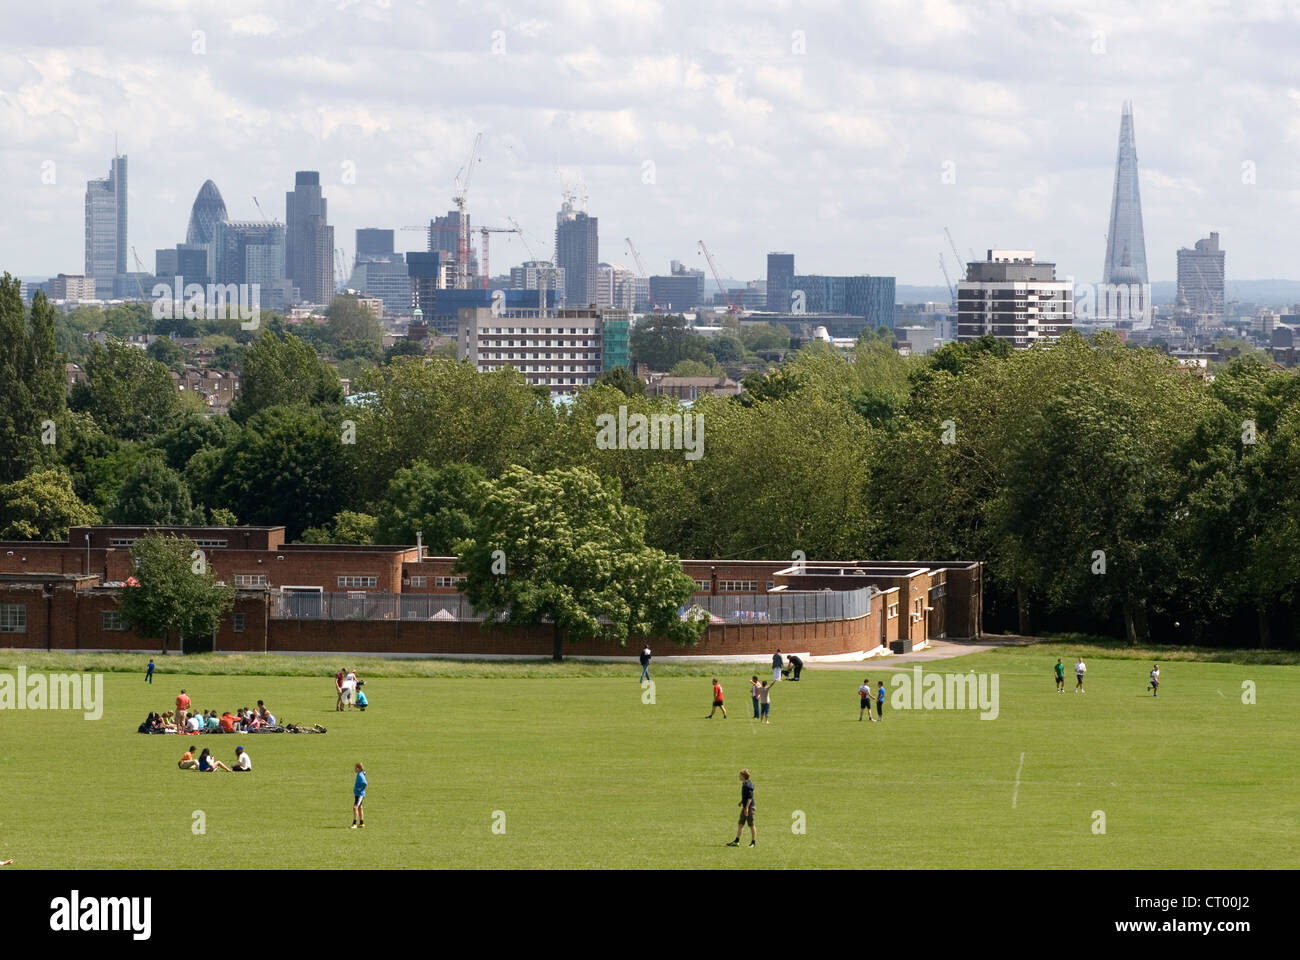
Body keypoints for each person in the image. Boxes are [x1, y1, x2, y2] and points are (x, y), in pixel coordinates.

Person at [726, 769, 756, 847]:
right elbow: (746, 797)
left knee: (751, 824)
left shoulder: (748, 785)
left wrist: (746, 808)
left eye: (740, 775)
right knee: (741, 823)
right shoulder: (744, 784)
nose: (739, 776)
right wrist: (742, 802)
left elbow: (750, 797)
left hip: (750, 808)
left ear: (743, 776)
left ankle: (753, 842)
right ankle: (736, 841)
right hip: (745, 807)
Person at [352, 762, 367, 829]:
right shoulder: (360, 774)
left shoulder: (360, 775)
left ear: (358, 769)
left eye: (355, 768)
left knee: (355, 807)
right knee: (360, 807)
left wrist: (360, 789)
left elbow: (365, 783)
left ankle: (354, 823)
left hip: (359, 795)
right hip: (358, 794)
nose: (354, 769)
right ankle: (361, 823)